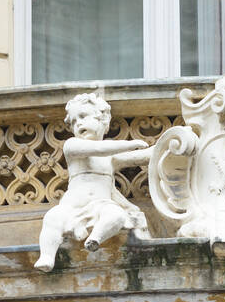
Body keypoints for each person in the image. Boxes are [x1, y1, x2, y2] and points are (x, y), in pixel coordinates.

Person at [34, 93, 151, 272]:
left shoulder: (111, 159)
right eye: (73, 122)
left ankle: (95, 238)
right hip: (71, 207)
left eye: (83, 116)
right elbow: (98, 148)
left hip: (100, 206)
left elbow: (141, 157)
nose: (78, 123)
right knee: (52, 218)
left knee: (117, 216)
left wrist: (168, 145)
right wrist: (129, 144)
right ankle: (47, 256)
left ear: (103, 121)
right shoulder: (72, 146)